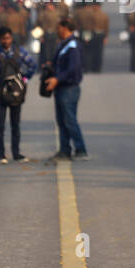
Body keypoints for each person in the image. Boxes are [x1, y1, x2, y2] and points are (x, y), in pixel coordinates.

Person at [0, 26, 38, 163]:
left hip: (16, 93)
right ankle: (1, 155)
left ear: (11, 38)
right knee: (0, 125)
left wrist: (24, 79)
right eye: (3, 39)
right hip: (1, 93)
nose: (6, 41)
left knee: (16, 124)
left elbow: (33, 65)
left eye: (8, 38)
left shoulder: (19, 52)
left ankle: (16, 153)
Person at [45, 18, 87, 162]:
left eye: (58, 28)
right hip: (61, 88)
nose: (57, 31)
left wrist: (57, 78)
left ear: (64, 28)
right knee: (62, 121)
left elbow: (73, 68)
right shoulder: (64, 45)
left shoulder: (72, 46)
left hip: (69, 88)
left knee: (69, 120)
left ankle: (81, 149)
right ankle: (64, 150)